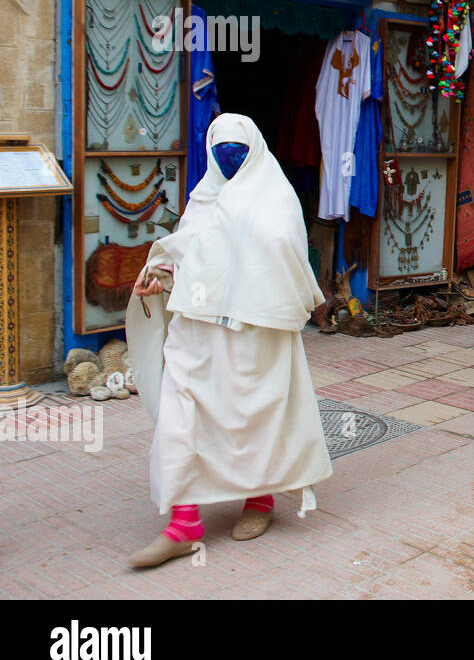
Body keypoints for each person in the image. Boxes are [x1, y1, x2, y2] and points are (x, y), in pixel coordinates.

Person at [124, 113, 332, 568]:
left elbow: (287, 260)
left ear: (254, 150)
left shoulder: (276, 198)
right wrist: (161, 275)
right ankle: (183, 525)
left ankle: (259, 500)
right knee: (182, 416)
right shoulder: (204, 198)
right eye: (222, 153)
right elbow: (188, 252)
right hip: (195, 329)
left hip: (254, 334)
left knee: (250, 419)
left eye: (238, 152)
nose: (230, 160)